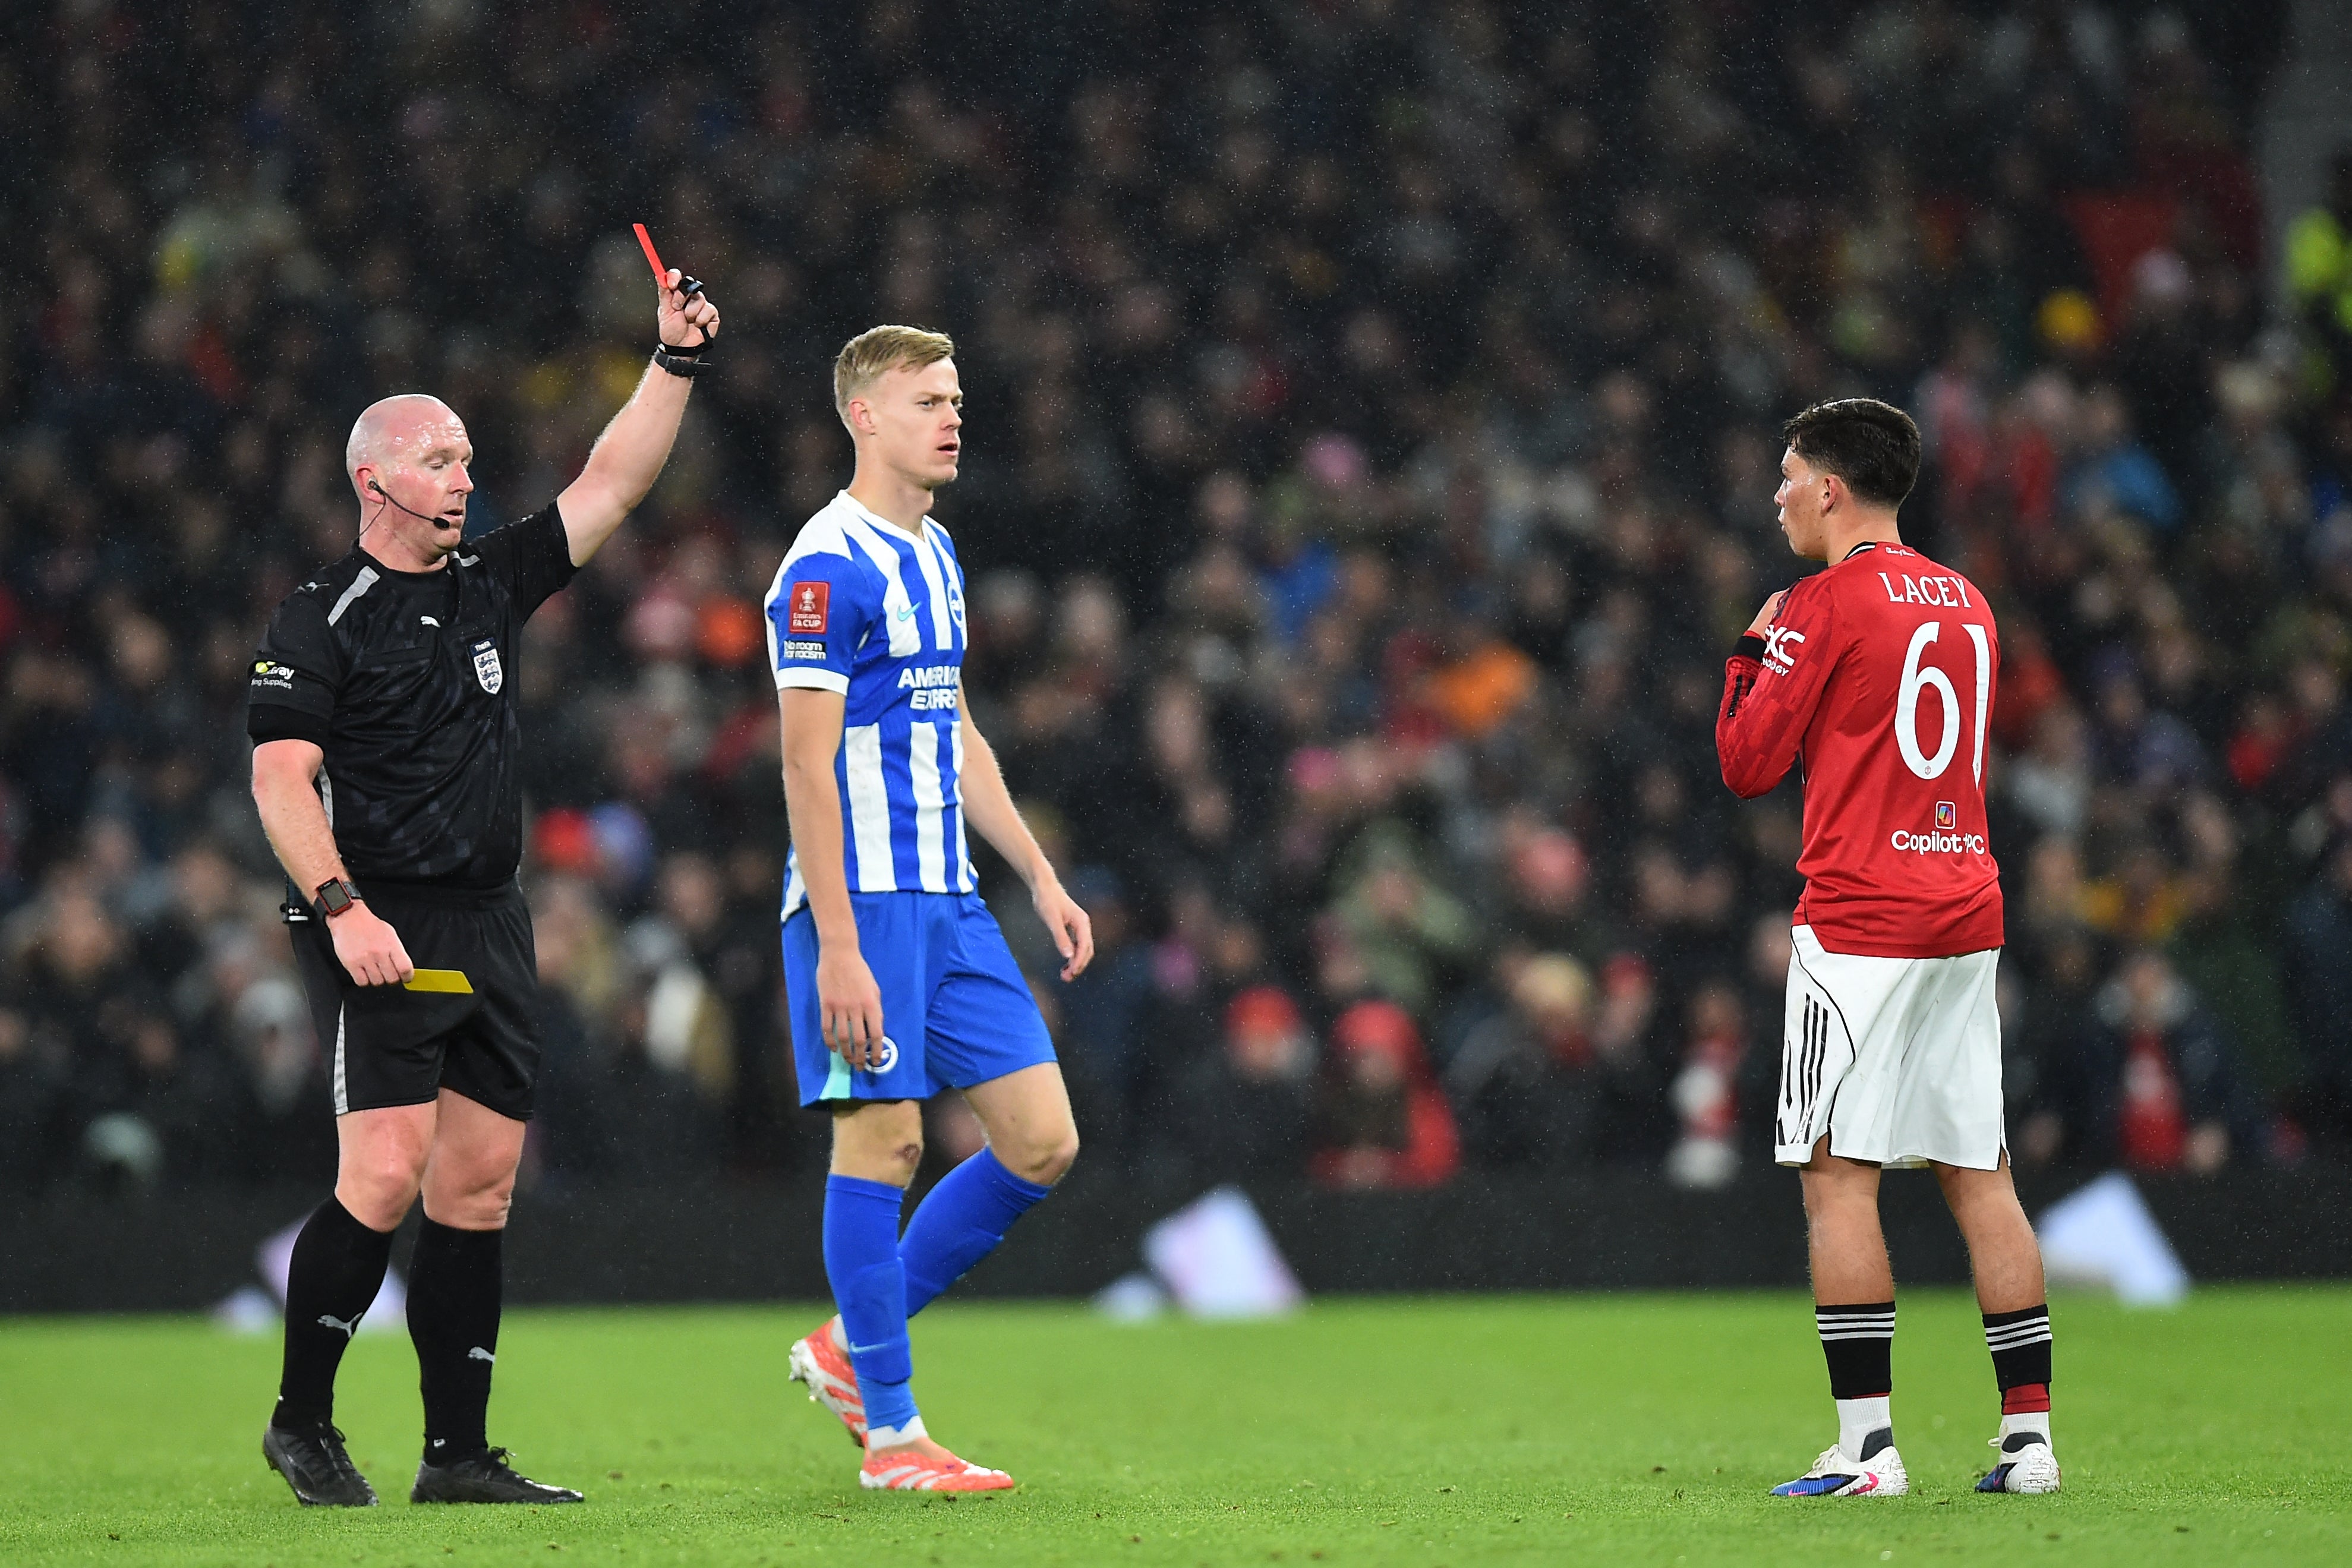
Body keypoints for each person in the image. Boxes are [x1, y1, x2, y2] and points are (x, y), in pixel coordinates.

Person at [244, 259, 721, 1507]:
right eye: (440, 461)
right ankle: (301, 1423)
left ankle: (455, 1456)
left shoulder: (487, 586)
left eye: (466, 459)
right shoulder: (320, 618)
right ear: (375, 482)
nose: (464, 478)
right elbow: (280, 782)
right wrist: (342, 911)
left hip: (490, 917)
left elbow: (611, 484)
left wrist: (673, 361)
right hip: (377, 918)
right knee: (384, 1173)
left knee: (476, 1188)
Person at [1716, 399, 2060, 1499]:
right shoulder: (1966, 600)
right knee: (1980, 1174)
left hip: (1861, 916)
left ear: (1830, 489)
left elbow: (1746, 763)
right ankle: (2029, 1444)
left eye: (1787, 475)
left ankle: (1867, 1449)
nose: (1776, 495)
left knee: (1837, 1178)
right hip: (1965, 907)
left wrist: (1751, 650)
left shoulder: (1819, 604)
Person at [768, 326, 1089, 1493]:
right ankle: (894, 1436)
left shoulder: (937, 550)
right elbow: (804, 766)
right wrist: (838, 945)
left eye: (954, 398)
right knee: (885, 1140)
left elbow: (951, 731)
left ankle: (846, 1348)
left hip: (950, 899)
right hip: (861, 903)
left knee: (1042, 1139)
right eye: (925, 401)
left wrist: (1036, 872)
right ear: (862, 416)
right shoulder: (824, 567)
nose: (952, 417)